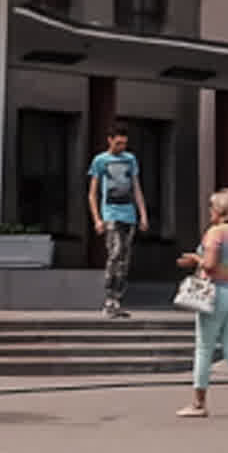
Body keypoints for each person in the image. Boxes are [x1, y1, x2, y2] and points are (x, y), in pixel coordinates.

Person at [177, 187, 228, 418]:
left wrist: (195, 259)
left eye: (212, 207)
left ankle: (198, 403)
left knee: (204, 348)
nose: (210, 211)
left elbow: (211, 265)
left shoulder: (215, 232)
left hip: (216, 295)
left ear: (221, 210)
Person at [86, 126, 147, 318]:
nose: (121, 147)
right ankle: (108, 298)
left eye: (124, 143)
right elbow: (92, 193)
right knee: (115, 252)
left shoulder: (130, 160)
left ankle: (117, 299)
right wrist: (97, 218)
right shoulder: (101, 161)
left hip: (129, 215)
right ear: (109, 140)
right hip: (110, 214)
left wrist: (143, 214)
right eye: (118, 143)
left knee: (125, 260)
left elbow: (136, 188)